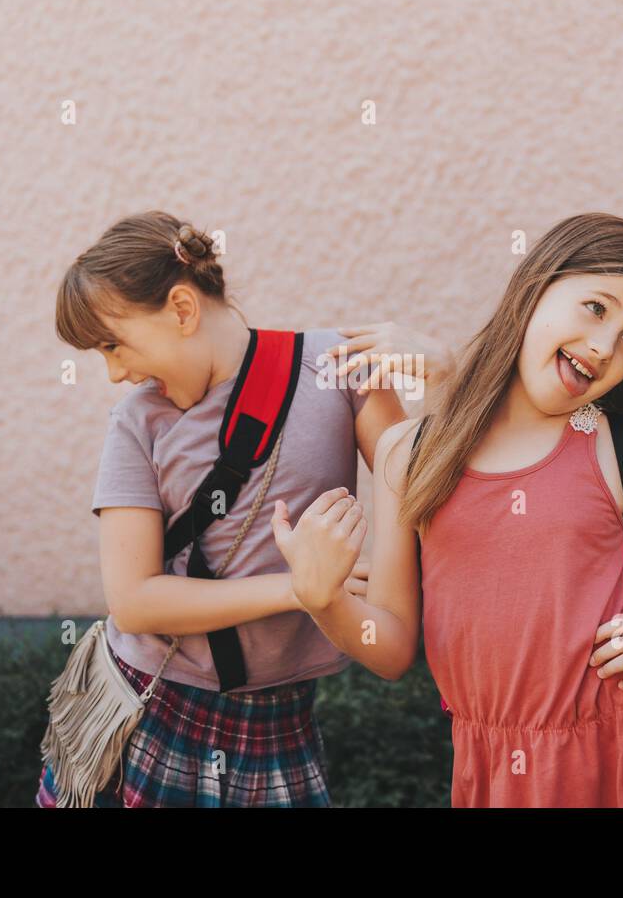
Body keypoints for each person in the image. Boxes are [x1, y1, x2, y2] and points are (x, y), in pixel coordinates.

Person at [272, 212, 623, 806]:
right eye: (596, 307)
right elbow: (392, 645)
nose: (606, 345)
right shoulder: (408, 454)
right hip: (495, 774)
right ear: (536, 286)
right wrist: (323, 599)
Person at [37, 209, 451, 806]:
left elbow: (428, 505)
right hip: (148, 706)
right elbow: (133, 600)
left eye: (113, 344)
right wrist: (301, 588)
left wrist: (450, 376)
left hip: (281, 723)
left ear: (182, 310)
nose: (114, 373)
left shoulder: (339, 369)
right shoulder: (137, 421)